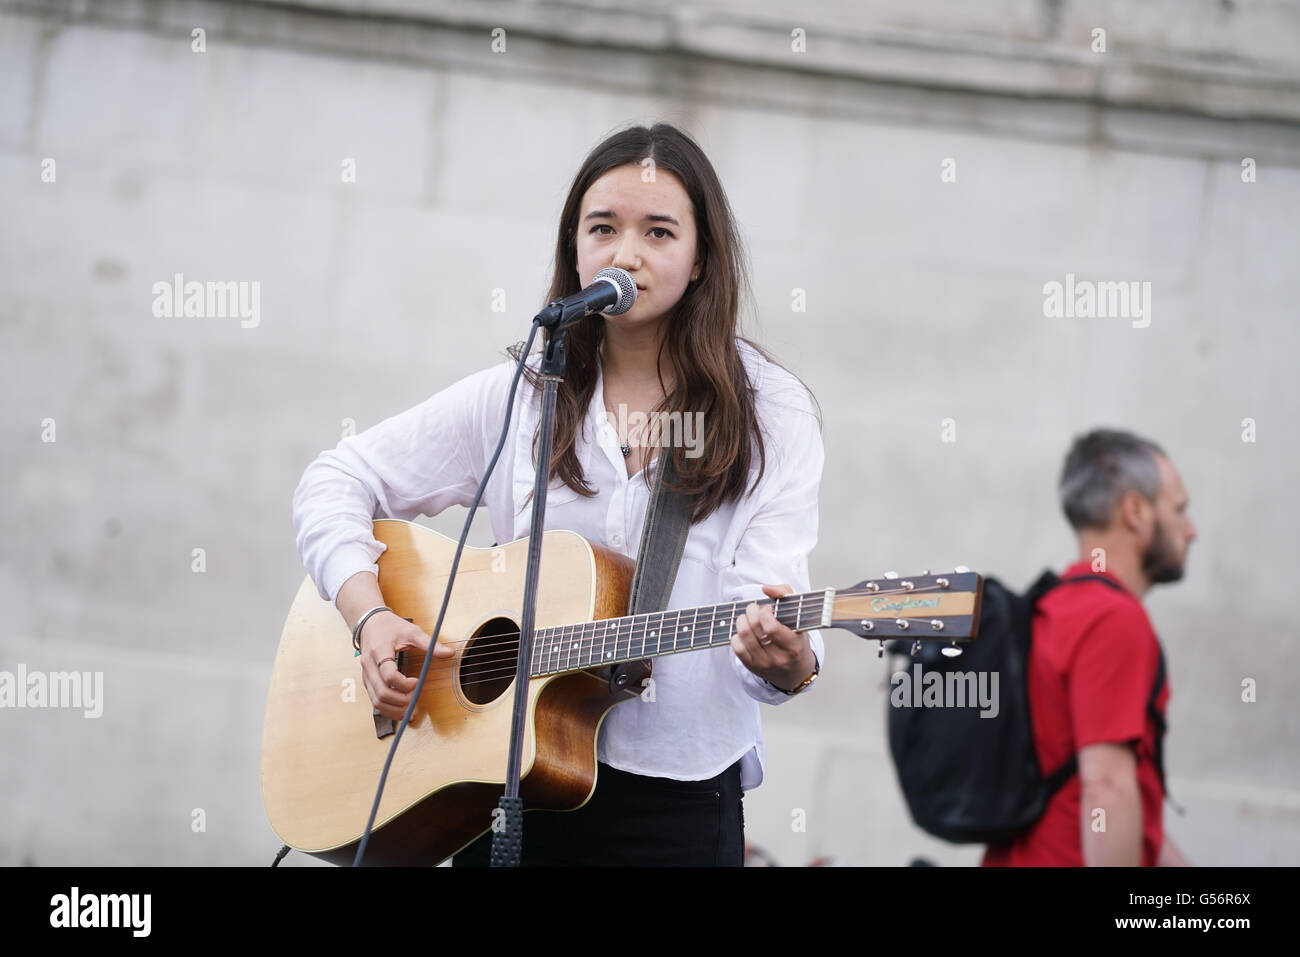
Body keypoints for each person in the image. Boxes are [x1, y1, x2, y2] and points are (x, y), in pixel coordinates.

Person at [291, 123, 825, 866]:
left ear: (701, 258)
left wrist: (786, 663)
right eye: (601, 228)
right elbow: (335, 478)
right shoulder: (522, 394)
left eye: (659, 231)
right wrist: (369, 616)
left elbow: (769, 617)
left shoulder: (769, 411)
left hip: (678, 800)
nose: (624, 253)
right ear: (574, 249)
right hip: (502, 788)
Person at [983, 429, 1195, 866]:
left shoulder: (1052, 605)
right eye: (1179, 510)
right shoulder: (1113, 619)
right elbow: (1107, 788)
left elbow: (1111, 794)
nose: (1191, 531)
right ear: (1135, 511)